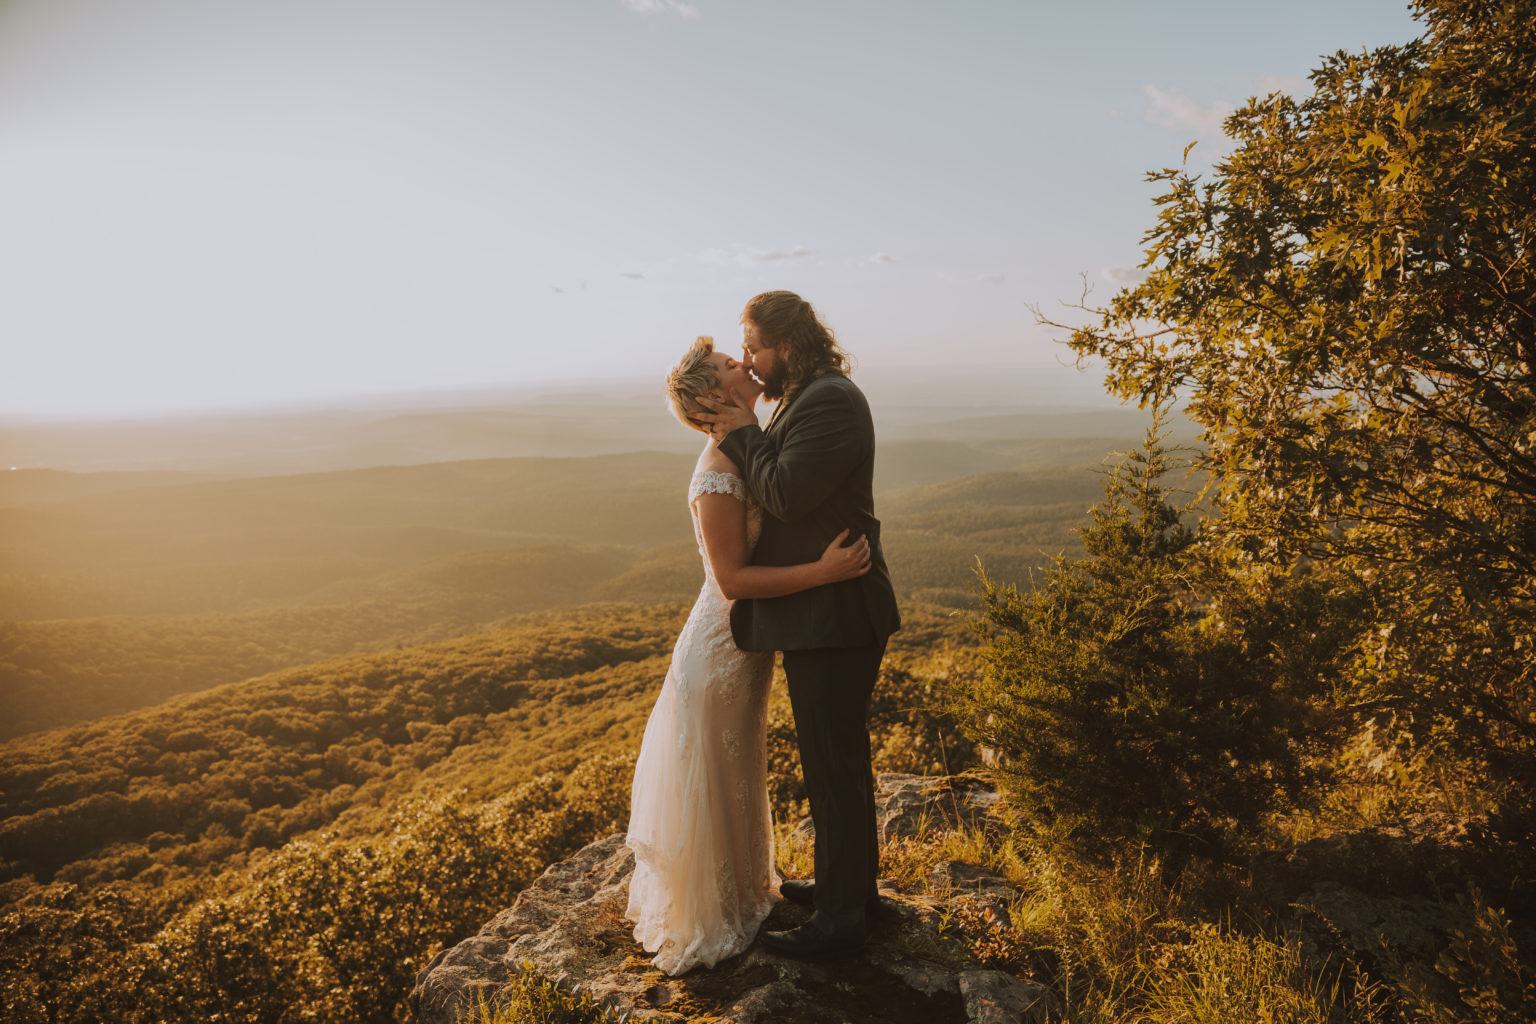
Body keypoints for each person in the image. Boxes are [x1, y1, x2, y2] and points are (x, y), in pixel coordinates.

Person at [625, 335, 874, 976]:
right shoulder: (718, 468)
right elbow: (732, 581)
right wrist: (823, 572)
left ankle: (742, 895)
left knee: (736, 771)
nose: (745, 362)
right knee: (714, 773)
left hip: (747, 650)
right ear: (713, 396)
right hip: (719, 651)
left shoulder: (745, 445)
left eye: (743, 354)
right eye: (730, 364)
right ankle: (711, 914)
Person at [692, 290, 901, 962]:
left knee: (834, 765)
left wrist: (740, 434)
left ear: (786, 344)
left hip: (838, 614)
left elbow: (783, 493)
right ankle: (852, 894)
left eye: (753, 347)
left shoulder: (829, 400)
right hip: (824, 613)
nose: (748, 360)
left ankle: (841, 925)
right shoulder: (802, 397)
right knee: (837, 761)